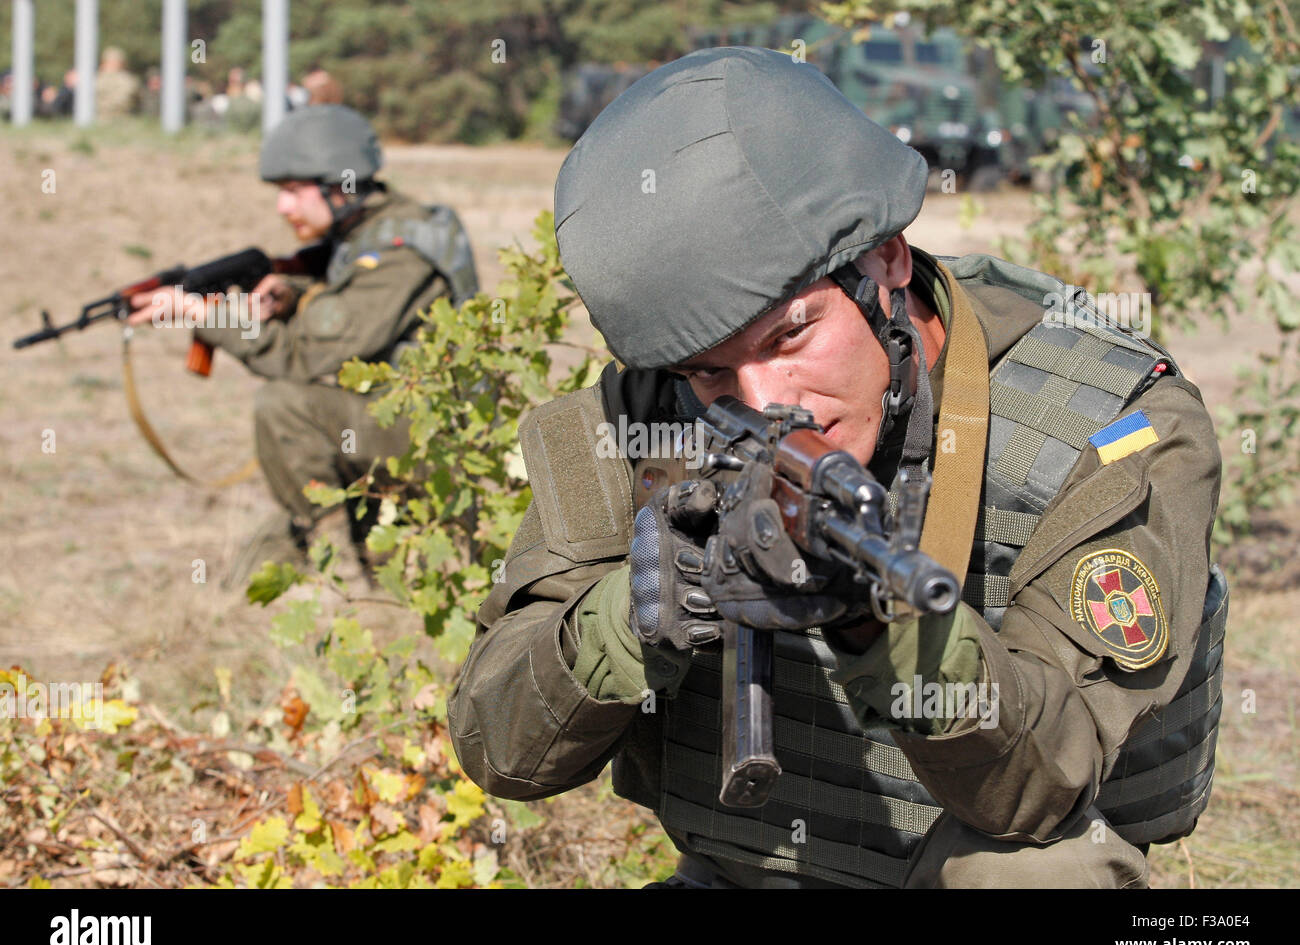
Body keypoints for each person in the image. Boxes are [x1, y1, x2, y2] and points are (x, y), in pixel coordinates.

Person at [447, 48, 1227, 888]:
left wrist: (877, 627)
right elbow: (498, 749)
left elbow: (1044, 779)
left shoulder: (1111, 427)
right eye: (710, 371)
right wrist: (624, 624)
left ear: (888, 259)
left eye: (790, 336)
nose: (766, 397)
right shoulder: (642, 418)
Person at [127, 105, 478, 584]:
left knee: (284, 405)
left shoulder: (399, 252)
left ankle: (342, 567)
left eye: (293, 191)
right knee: (246, 576)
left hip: (440, 440)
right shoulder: (365, 234)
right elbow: (344, 309)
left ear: (341, 186)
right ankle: (338, 537)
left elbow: (301, 356)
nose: (282, 208)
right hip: (403, 418)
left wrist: (205, 316)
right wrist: (292, 296)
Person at [96, 47, 140, 119]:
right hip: (99, 117)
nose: (112, 64)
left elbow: (126, 100)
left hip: (122, 117)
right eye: (110, 62)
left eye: (115, 62)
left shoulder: (128, 80)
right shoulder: (95, 78)